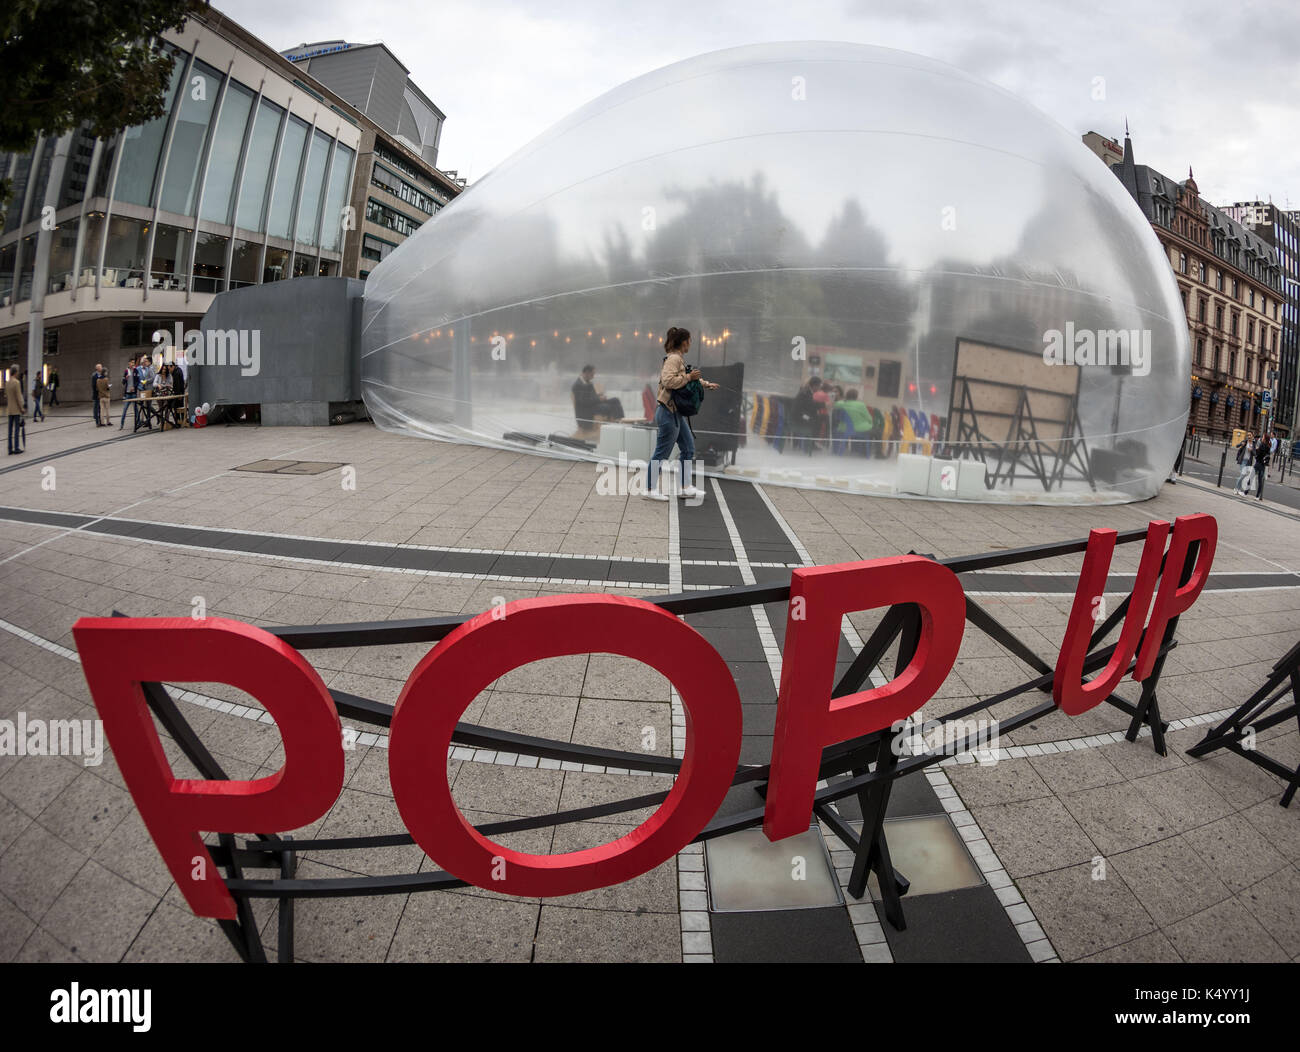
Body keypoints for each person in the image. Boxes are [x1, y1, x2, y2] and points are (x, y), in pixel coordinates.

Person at [645, 326, 718, 502]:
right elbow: (668, 380)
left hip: (675, 414)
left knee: (688, 448)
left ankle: (685, 487)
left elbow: (688, 378)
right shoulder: (674, 359)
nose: (690, 344)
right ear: (684, 341)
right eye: (689, 340)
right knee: (662, 452)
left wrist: (706, 384)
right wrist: (689, 378)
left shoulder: (679, 359)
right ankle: (649, 488)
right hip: (667, 413)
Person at [5, 367, 24, 455]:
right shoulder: (17, 382)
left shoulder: (7, 383)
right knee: (16, 429)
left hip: (9, 410)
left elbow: (7, 396)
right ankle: (16, 448)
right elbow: (18, 397)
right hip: (16, 410)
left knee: (10, 430)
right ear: (15, 372)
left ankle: (9, 449)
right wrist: (22, 408)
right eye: (17, 372)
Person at [1232, 432, 1256, 496]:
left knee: (1242, 475)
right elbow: (1237, 446)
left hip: (1248, 462)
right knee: (1242, 475)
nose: (1249, 436)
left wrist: (1251, 450)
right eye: (1248, 435)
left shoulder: (1254, 444)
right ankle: (1235, 489)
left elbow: (1255, 454)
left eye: (1250, 435)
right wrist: (1241, 444)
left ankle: (1239, 489)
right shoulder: (1245, 441)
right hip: (1243, 460)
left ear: (1252, 436)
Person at [119, 355, 139, 429]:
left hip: (133, 393)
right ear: (129, 363)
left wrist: (134, 387)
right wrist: (125, 378)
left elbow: (138, 381)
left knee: (136, 409)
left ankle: (138, 422)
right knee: (125, 410)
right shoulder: (126, 371)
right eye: (132, 362)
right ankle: (121, 425)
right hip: (127, 394)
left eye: (134, 362)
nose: (133, 364)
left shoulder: (136, 370)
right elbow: (123, 382)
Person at [1254, 433, 1271, 501]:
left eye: (1263, 437)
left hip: (1258, 463)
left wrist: (1257, 449)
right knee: (1260, 481)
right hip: (1263, 465)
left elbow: (1258, 454)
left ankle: (1245, 492)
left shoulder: (1262, 445)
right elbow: (1267, 455)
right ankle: (1257, 496)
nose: (1262, 437)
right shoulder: (1268, 446)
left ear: (1264, 438)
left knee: (1251, 477)